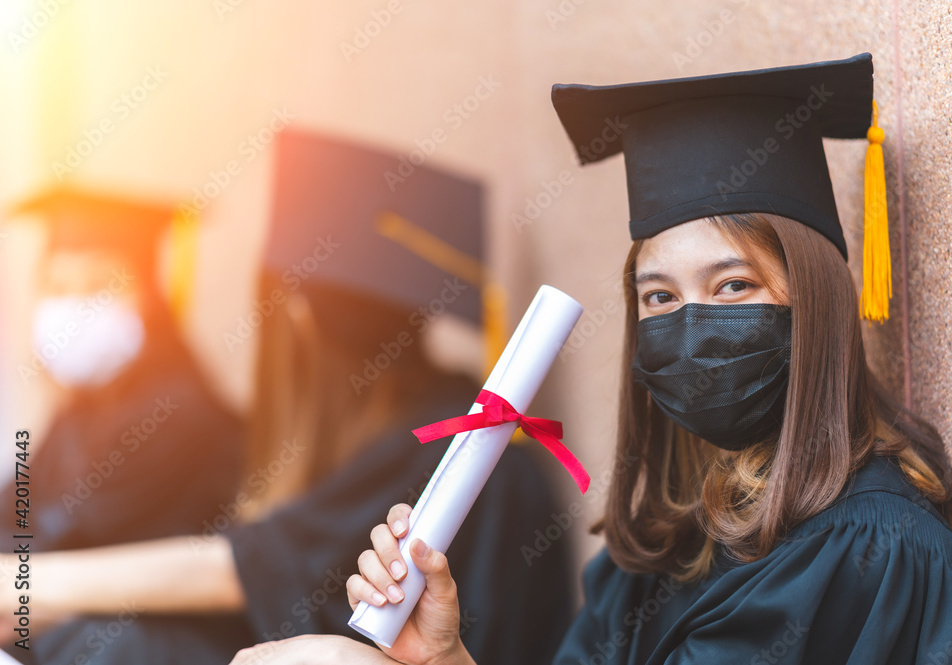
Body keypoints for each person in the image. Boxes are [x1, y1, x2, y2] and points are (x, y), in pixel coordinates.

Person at [230, 53, 952, 665]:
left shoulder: (866, 555)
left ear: (816, 302)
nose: (689, 325)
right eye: (658, 297)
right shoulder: (667, 541)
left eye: (732, 284)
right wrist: (443, 655)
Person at [6, 130, 574, 665]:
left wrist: (28, 585)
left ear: (299, 322)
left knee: (111, 647)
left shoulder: (442, 446)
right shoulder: (406, 433)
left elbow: (251, 566)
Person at [2, 187, 243, 552]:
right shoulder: (82, 409)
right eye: (57, 286)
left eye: (101, 284)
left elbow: (64, 543)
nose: (75, 307)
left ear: (150, 298)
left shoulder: (176, 414)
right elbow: (13, 509)